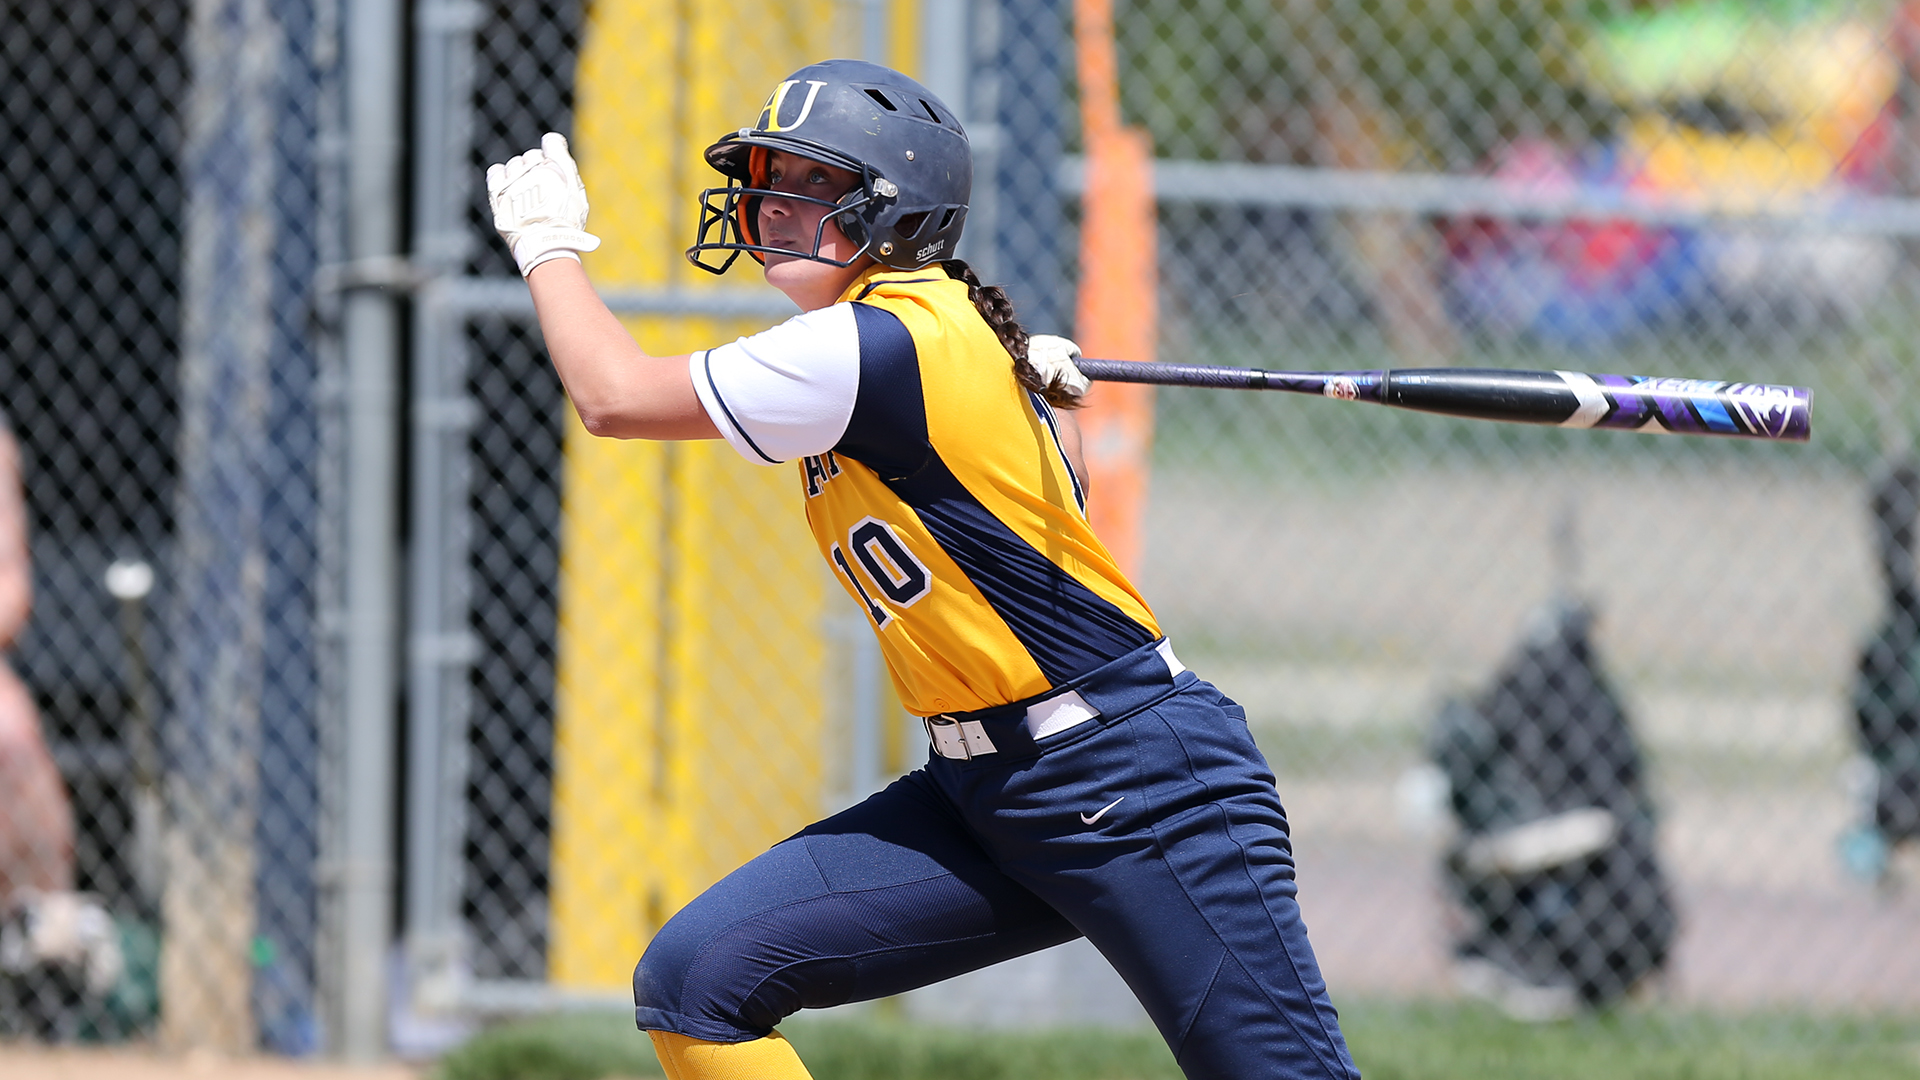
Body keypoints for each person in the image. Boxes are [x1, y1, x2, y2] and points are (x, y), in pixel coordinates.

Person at [487, 58, 1359, 1080]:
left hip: (1134, 777)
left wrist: (548, 248)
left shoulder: (878, 341)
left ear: (894, 212)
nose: (769, 205)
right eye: (765, 179)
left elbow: (614, 397)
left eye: (809, 184)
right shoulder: (913, 335)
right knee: (699, 982)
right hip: (984, 791)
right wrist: (1015, 387)